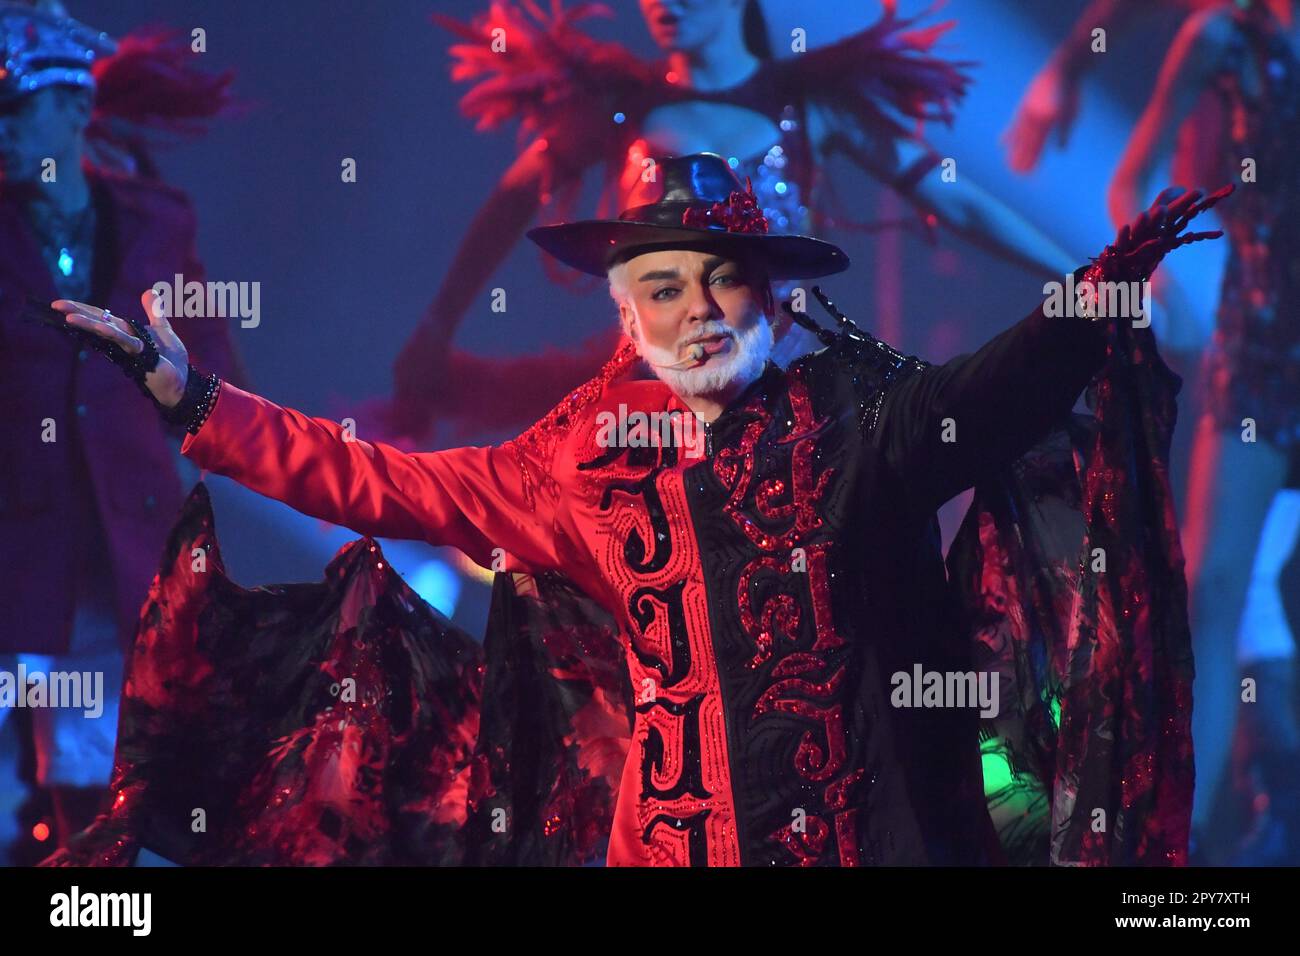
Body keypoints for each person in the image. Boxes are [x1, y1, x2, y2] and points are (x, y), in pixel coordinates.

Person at [46, 153, 1220, 866]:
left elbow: (995, 388)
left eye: (724, 280)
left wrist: (1101, 288)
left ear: (775, 300)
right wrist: (189, 395)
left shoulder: (862, 419)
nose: (699, 310)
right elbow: (385, 483)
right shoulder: (579, 458)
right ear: (625, 315)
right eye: (665, 287)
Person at [389, 0, 1082, 443]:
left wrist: (1080, 267)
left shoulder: (807, 108)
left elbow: (951, 195)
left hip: (791, 400)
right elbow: (513, 199)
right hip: (654, 396)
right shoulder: (621, 108)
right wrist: (435, 325)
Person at [0, 0, 247, 859]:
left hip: (116, 534)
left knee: (97, 750)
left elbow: (207, 352)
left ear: (70, 110)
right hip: (17, 538)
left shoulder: (155, 220)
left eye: (10, 111)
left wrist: (245, 448)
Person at [1106, 0, 1300, 863]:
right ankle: (1190, 844)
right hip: (1261, 340)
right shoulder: (1229, 35)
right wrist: (1155, 274)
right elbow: (1133, 172)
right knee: (1213, 590)